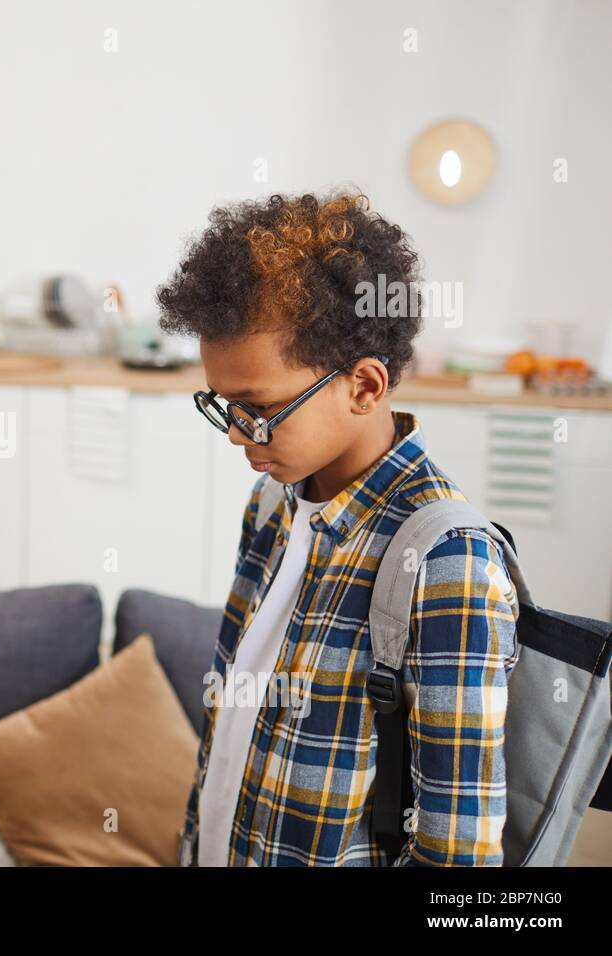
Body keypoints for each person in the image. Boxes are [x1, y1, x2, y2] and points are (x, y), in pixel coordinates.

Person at [156, 191, 520, 866]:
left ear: (365, 387)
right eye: (224, 405)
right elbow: (229, 735)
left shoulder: (447, 558)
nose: (238, 436)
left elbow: (457, 853)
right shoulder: (272, 501)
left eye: (257, 408)